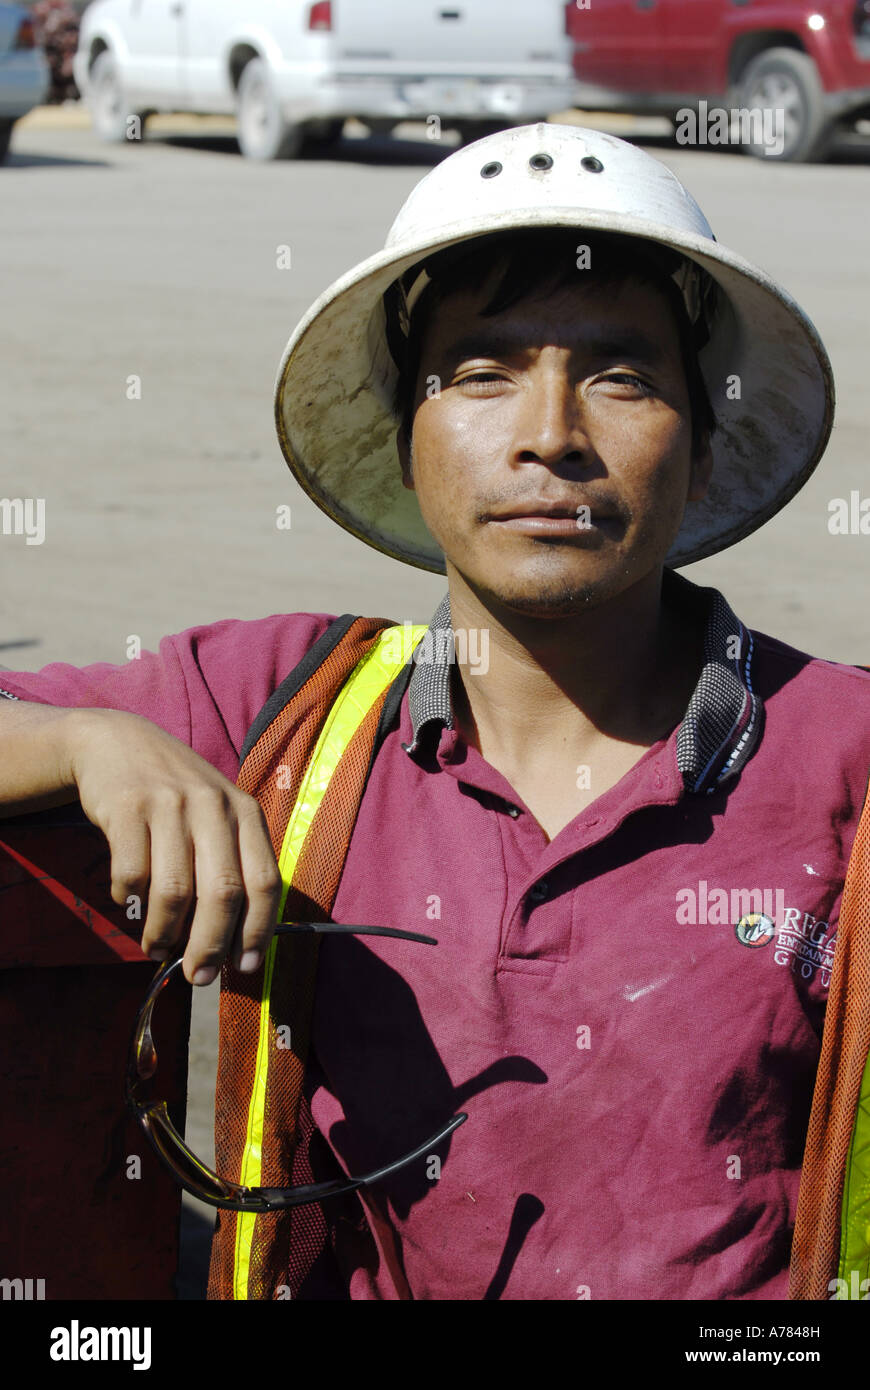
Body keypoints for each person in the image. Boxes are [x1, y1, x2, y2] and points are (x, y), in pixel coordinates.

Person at [2, 123, 869, 1301]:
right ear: (404, 441)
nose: (550, 434)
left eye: (620, 376)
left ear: (704, 448)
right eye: (480, 373)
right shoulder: (294, 702)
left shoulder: (842, 751)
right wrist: (84, 739)